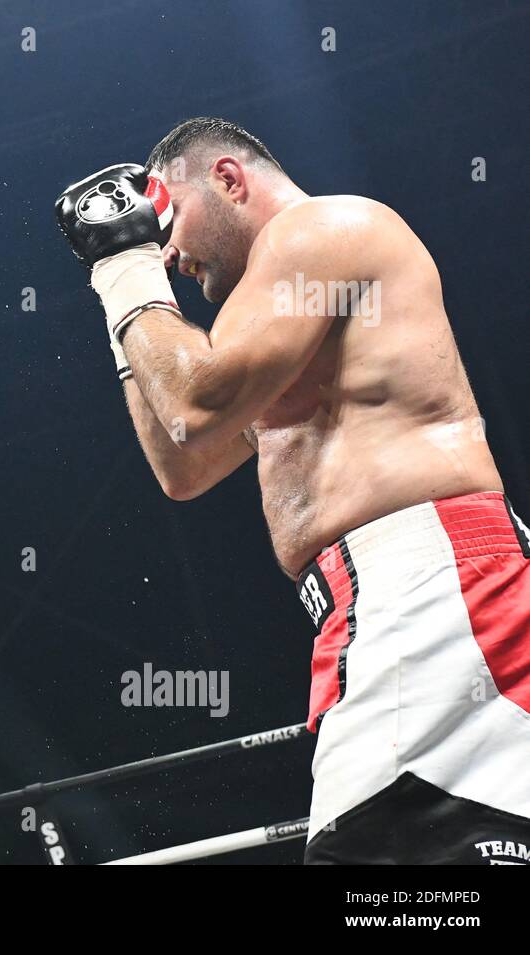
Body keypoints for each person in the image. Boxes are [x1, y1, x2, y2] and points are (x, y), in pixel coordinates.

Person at [56, 117, 530, 864]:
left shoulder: (322, 230)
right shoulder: (283, 328)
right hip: (379, 608)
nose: (167, 249)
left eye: (165, 218)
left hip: (431, 591)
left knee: (385, 855)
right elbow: (184, 463)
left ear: (228, 179)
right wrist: (121, 285)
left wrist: (129, 262)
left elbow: (193, 405)